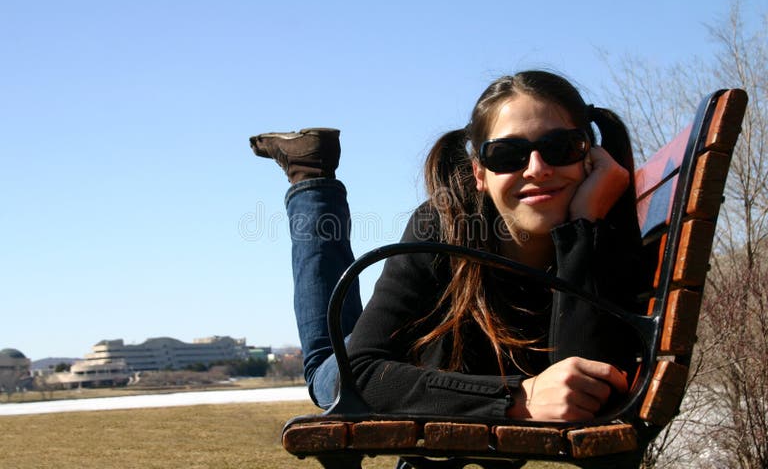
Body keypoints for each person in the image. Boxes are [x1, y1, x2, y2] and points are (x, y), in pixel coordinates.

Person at [249, 70, 646, 425]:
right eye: (507, 155)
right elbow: (359, 374)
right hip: (391, 357)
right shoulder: (443, 226)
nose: (537, 168)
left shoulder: (605, 231)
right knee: (325, 368)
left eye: (562, 148)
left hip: (400, 353)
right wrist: (517, 398)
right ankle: (311, 177)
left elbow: (584, 393)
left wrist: (582, 228)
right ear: (479, 173)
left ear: (590, 158)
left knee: (349, 338)